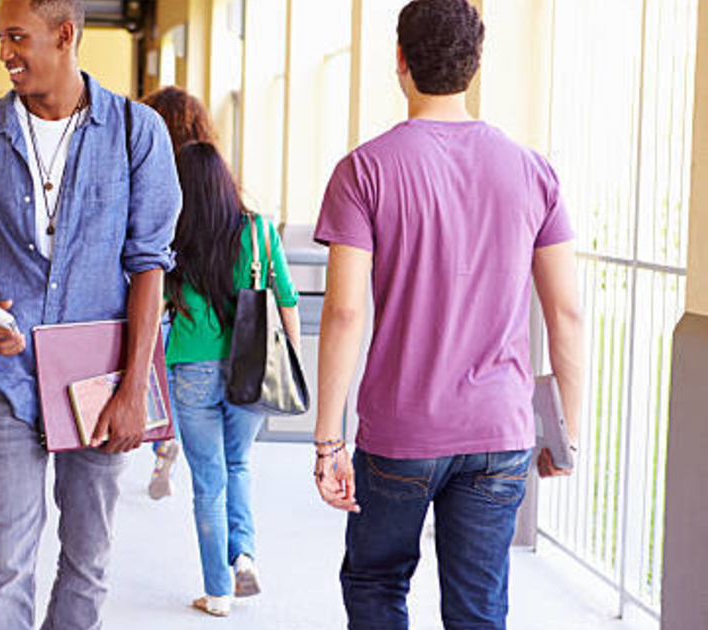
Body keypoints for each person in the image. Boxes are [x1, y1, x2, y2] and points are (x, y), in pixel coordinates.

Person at [311, 2, 584, 628]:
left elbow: (345, 313)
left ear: (400, 60)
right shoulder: (533, 170)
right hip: (499, 431)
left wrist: (329, 442)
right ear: (477, 63)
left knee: (377, 584)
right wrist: (565, 432)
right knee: (478, 609)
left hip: (400, 434)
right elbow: (566, 311)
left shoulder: (364, 170)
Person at [0, 0, 181, 627]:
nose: (3, 53)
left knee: (87, 560)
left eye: (16, 37)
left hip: (99, 382)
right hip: (5, 379)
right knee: (4, 568)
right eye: (0, 37)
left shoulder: (137, 132)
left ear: (65, 34)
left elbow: (149, 267)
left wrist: (135, 391)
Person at [164, 142, 300, 617]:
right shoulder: (260, 232)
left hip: (190, 369)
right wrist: (292, 361)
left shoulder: (172, 237)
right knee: (239, 464)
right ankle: (243, 554)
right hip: (250, 366)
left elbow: (151, 304)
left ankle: (218, 591)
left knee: (208, 482)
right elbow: (287, 301)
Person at [137, 85, 218, 500]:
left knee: (153, 372)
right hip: (199, 303)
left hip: (155, 292)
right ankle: (171, 441)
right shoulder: (208, 174)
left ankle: (161, 439)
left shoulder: (146, 168)